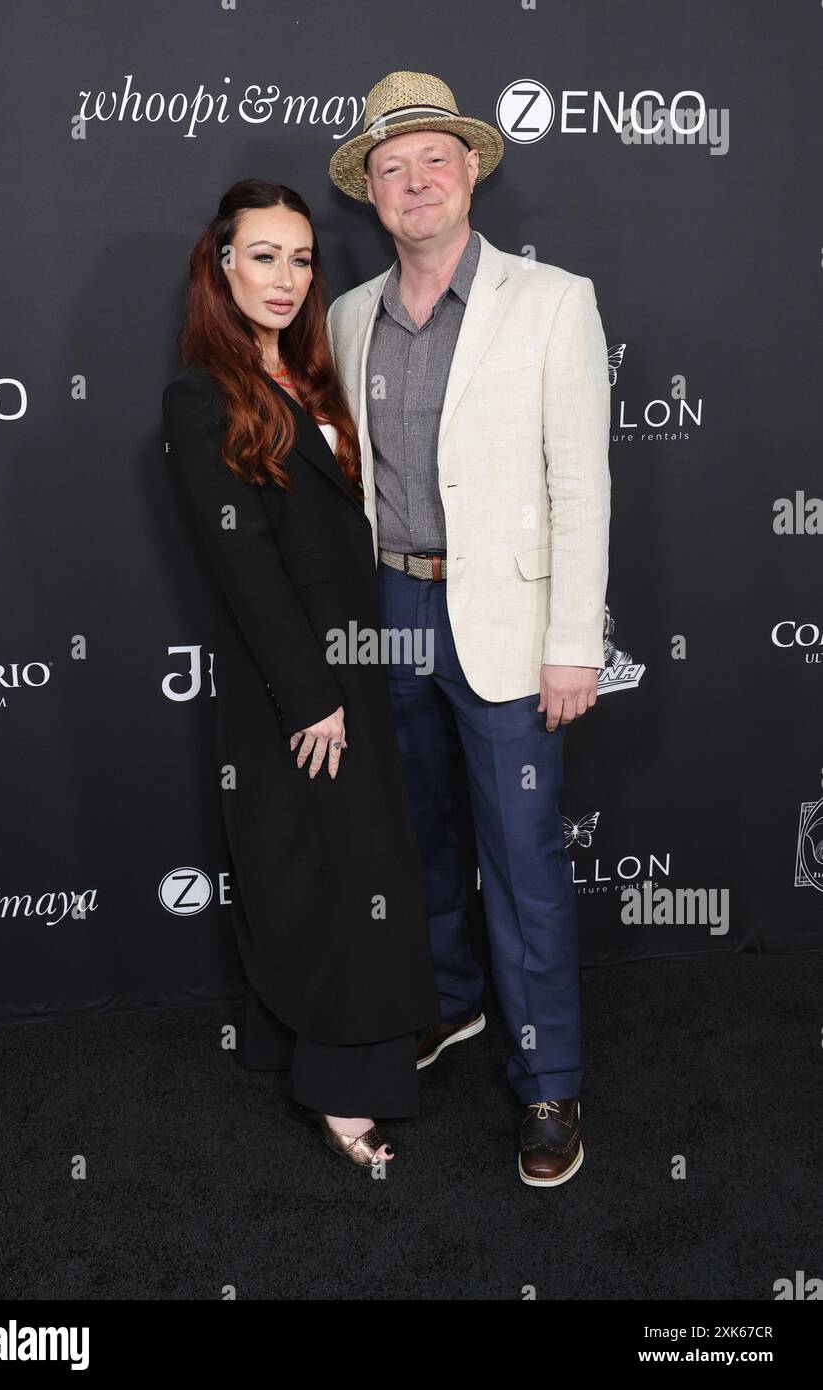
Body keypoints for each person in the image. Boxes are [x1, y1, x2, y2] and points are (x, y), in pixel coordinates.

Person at [326, 71, 611, 1186]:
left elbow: (580, 484)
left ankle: (548, 1081)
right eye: (390, 169)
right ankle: (447, 1006)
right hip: (388, 607)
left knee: (525, 859)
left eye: (432, 160)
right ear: (372, 196)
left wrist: (573, 639)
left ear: (472, 169)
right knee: (420, 837)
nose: (413, 181)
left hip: (503, 617)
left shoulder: (554, 301)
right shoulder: (348, 316)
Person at [162, 179, 439, 1168]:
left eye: (302, 257)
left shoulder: (315, 377)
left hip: (354, 666)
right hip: (297, 686)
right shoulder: (200, 396)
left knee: (344, 870)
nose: (287, 278)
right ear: (221, 264)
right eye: (264, 255)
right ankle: (341, 1092)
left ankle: (315, 1047)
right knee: (325, 878)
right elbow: (241, 565)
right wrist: (310, 694)